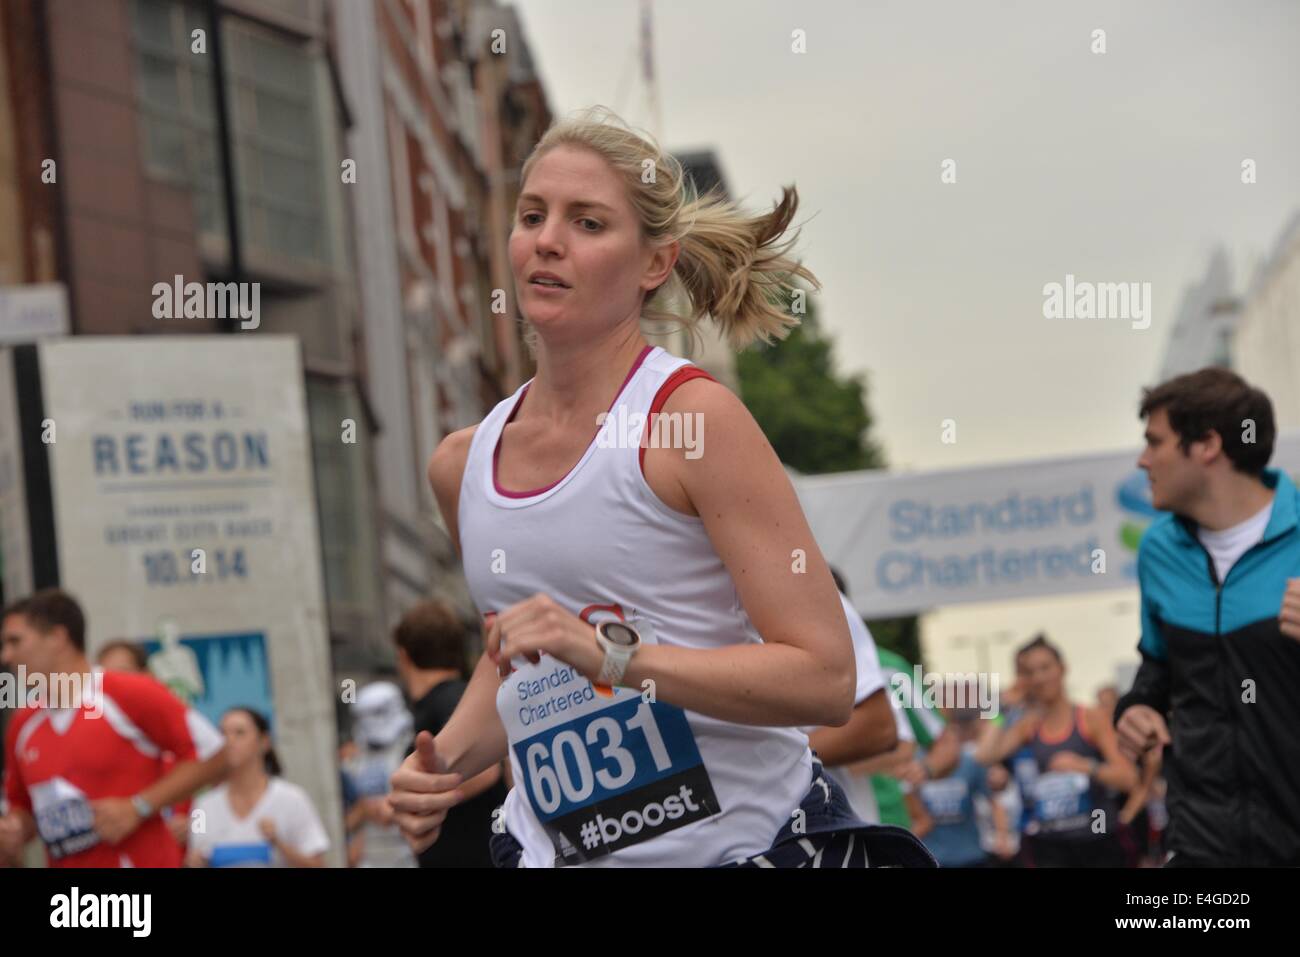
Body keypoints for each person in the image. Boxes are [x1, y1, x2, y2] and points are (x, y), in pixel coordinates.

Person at [388, 105, 933, 868]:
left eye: (587, 223)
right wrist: (440, 763)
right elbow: (513, 655)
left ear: (654, 263)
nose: (547, 239)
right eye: (533, 215)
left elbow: (827, 677)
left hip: (740, 850)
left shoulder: (692, 422)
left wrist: (614, 656)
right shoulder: (462, 462)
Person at [1116, 368, 1300, 867]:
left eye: (1156, 442)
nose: (1143, 459)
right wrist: (1134, 708)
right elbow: (1158, 670)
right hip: (1201, 841)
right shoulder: (1158, 549)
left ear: (1209, 446)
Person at [0, 589, 226, 867]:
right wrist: (13, 831)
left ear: (58, 637)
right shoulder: (23, 724)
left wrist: (139, 806)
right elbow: (22, 809)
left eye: (15, 641)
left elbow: (215, 752)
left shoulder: (125, 692)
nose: (6, 656)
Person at [985, 636, 1137, 867]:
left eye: (1045, 668)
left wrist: (1085, 766)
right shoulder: (1029, 726)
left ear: (1062, 669)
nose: (1039, 678)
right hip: (1050, 846)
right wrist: (1000, 706)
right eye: (1031, 672)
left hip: (1096, 839)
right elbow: (985, 754)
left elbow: (1128, 778)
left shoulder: (1090, 718)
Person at [393, 600, 507, 867]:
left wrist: (424, 796)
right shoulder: (452, 699)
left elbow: (487, 770)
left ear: (403, 657)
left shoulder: (450, 700)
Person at [188, 708, 328, 867]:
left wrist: (279, 844)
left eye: (239, 733)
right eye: (223, 733)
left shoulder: (293, 799)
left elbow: (318, 864)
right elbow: (194, 856)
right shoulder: (202, 807)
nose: (229, 741)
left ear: (264, 741)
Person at [95, 639, 194, 851]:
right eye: (106, 676)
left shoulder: (177, 736)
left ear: (146, 675)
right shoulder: (96, 745)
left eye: (123, 673)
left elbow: (213, 793)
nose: (115, 684)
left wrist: (196, 826)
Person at [340, 681, 416, 867]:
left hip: (410, 853)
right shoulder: (352, 759)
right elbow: (338, 821)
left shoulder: (413, 749)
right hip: (366, 857)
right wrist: (362, 810)